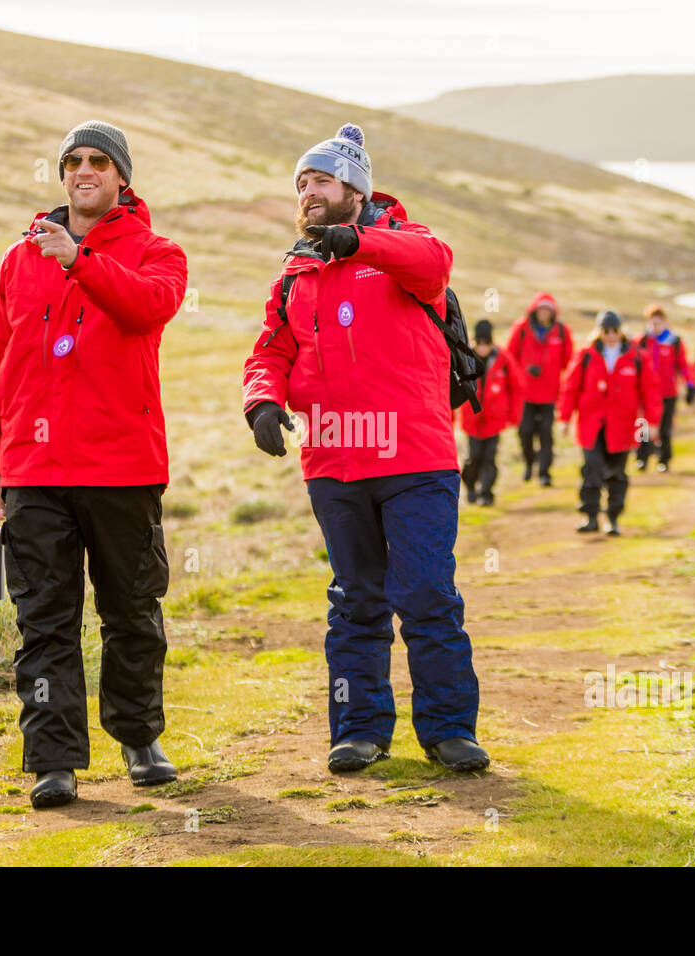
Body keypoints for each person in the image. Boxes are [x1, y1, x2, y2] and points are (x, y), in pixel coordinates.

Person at [242, 123, 488, 774]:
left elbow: (435, 263)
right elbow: (269, 351)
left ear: (354, 187)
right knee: (354, 602)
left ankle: (448, 731)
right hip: (333, 460)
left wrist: (363, 243)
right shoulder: (297, 274)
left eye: (320, 179)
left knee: (428, 597)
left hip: (415, 458)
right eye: (301, 183)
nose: (308, 192)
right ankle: (358, 730)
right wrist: (262, 401)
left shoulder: (407, 247)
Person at [0, 120, 188, 809]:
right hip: (33, 471)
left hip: (123, 467)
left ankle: (139, 737)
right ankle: (54, 760)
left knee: (132, 612)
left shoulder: (159, 253)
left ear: (122, 177)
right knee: (44, 620)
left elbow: (144, 309)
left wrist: (78, 260)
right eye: (73, 161)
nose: (83, 170)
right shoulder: (17, 261)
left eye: (98, 161)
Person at [558, 310, 661, 536]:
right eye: (606, 331)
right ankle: (591, 516)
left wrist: (652, 421)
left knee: (617, 474)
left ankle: (613, 519)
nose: (611, 335)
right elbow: (570, 388)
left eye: (615, 330)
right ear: (599, 331)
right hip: (591, 424)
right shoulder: (585, 354)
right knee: (591, 470)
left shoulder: (636, 356)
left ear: (621, 330)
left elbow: (650, 391)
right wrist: (564, 418)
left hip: (623, 426)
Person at [505, 292, 573, 486]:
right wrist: (522, 372)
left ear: (553, 312)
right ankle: (528, 463)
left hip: (550, 395)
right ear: (534, 310)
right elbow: (509, 358)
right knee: (525, 432)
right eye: (541, 309)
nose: (544, 313)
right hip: (525, 394)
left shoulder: (561, 331)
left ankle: (544, 473)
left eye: (547, 310)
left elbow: (569, 364)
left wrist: (566, 391)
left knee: (545, 433)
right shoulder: (522, 328)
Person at [460, 319, 526, 506]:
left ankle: (486, 493)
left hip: (495, 419)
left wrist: (513, 416)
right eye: (479, 343)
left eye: (486, 343)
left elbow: (517, 388)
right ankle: (471, 487)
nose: (483, 348)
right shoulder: (465, 357)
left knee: (490, 457)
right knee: (473, 457)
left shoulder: (503, 359)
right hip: (471, 419)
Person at [633, 304, 695, 473]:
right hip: (646, 393)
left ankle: (664, 460)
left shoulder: (674, 342)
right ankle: (642, 458)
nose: (655, 326)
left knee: (665, 429)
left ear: (665, 322)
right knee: (644, 427)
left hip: (668, 393)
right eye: (652, 323)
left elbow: (683, 365)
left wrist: (691, 385)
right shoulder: (641, 341)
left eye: (658, 323)